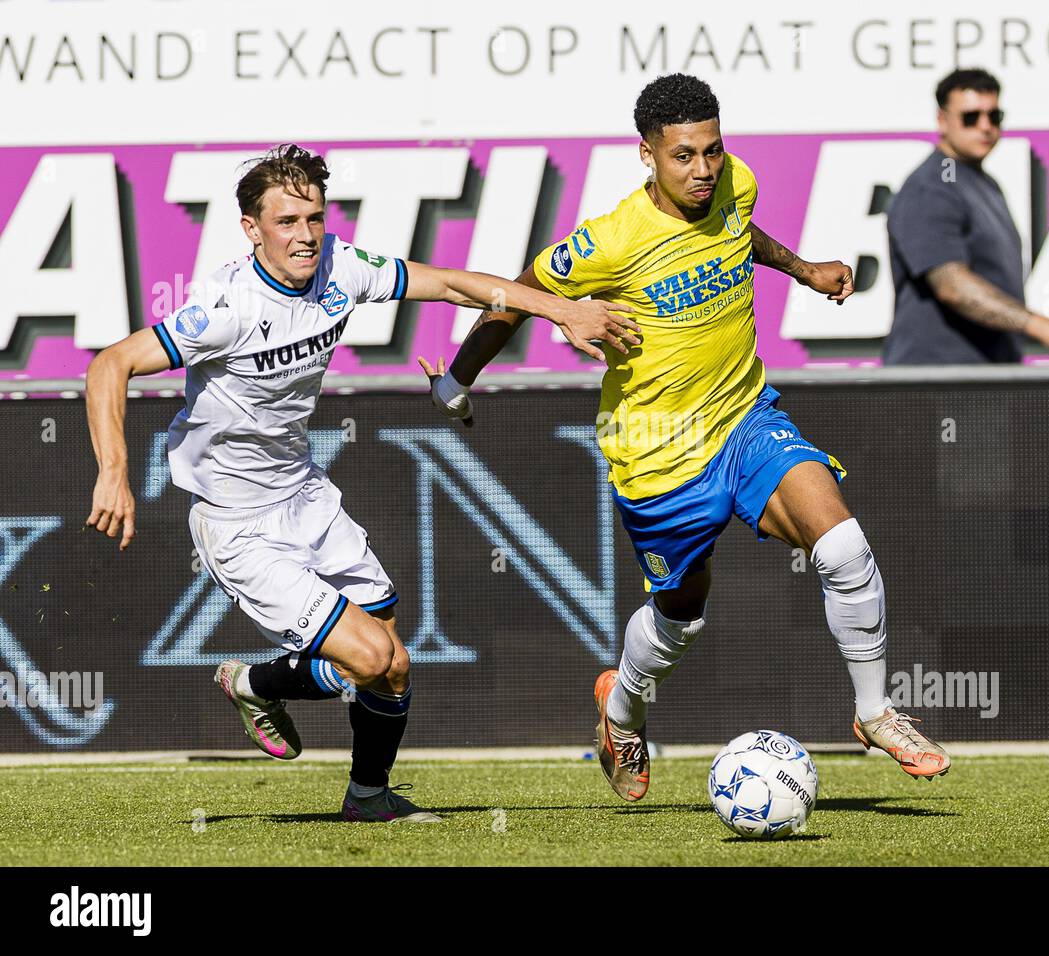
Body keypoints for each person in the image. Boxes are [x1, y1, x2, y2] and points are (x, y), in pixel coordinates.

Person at [431, 74, 950, 802]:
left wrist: (804, 270)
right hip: (657, 452)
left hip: (746, 418)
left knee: (842, 546)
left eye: (712, 150)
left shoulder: (735, 182)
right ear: (647, 155)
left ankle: (874, 712)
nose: (703, 169)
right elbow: (515, 297)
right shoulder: (611, 241)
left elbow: (739, 235)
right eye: (683, 156)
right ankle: (622, 709)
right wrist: (456, 382)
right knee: (680, 617)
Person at [84, 144, 638, 822]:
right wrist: (114, 474)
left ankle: (353, 782)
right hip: (237, 521)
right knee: (375, 657)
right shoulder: (226, 308)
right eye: (286, 221)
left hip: (304, 492)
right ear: (251, 229)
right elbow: (109, 365)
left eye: (314, 218)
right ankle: (265, 691)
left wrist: (561, 310)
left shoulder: (341, 269)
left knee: (392, 663)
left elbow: (452, 284)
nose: (305, 235)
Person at [883, 67, 1049, 364]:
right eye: (970, 117)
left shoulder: (983, 184)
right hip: (936, 376)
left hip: (984, 374)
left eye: (993, 116)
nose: (985, 126)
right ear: (942, 121)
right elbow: (951, 286)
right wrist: (1040, 326)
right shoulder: (930, 187)